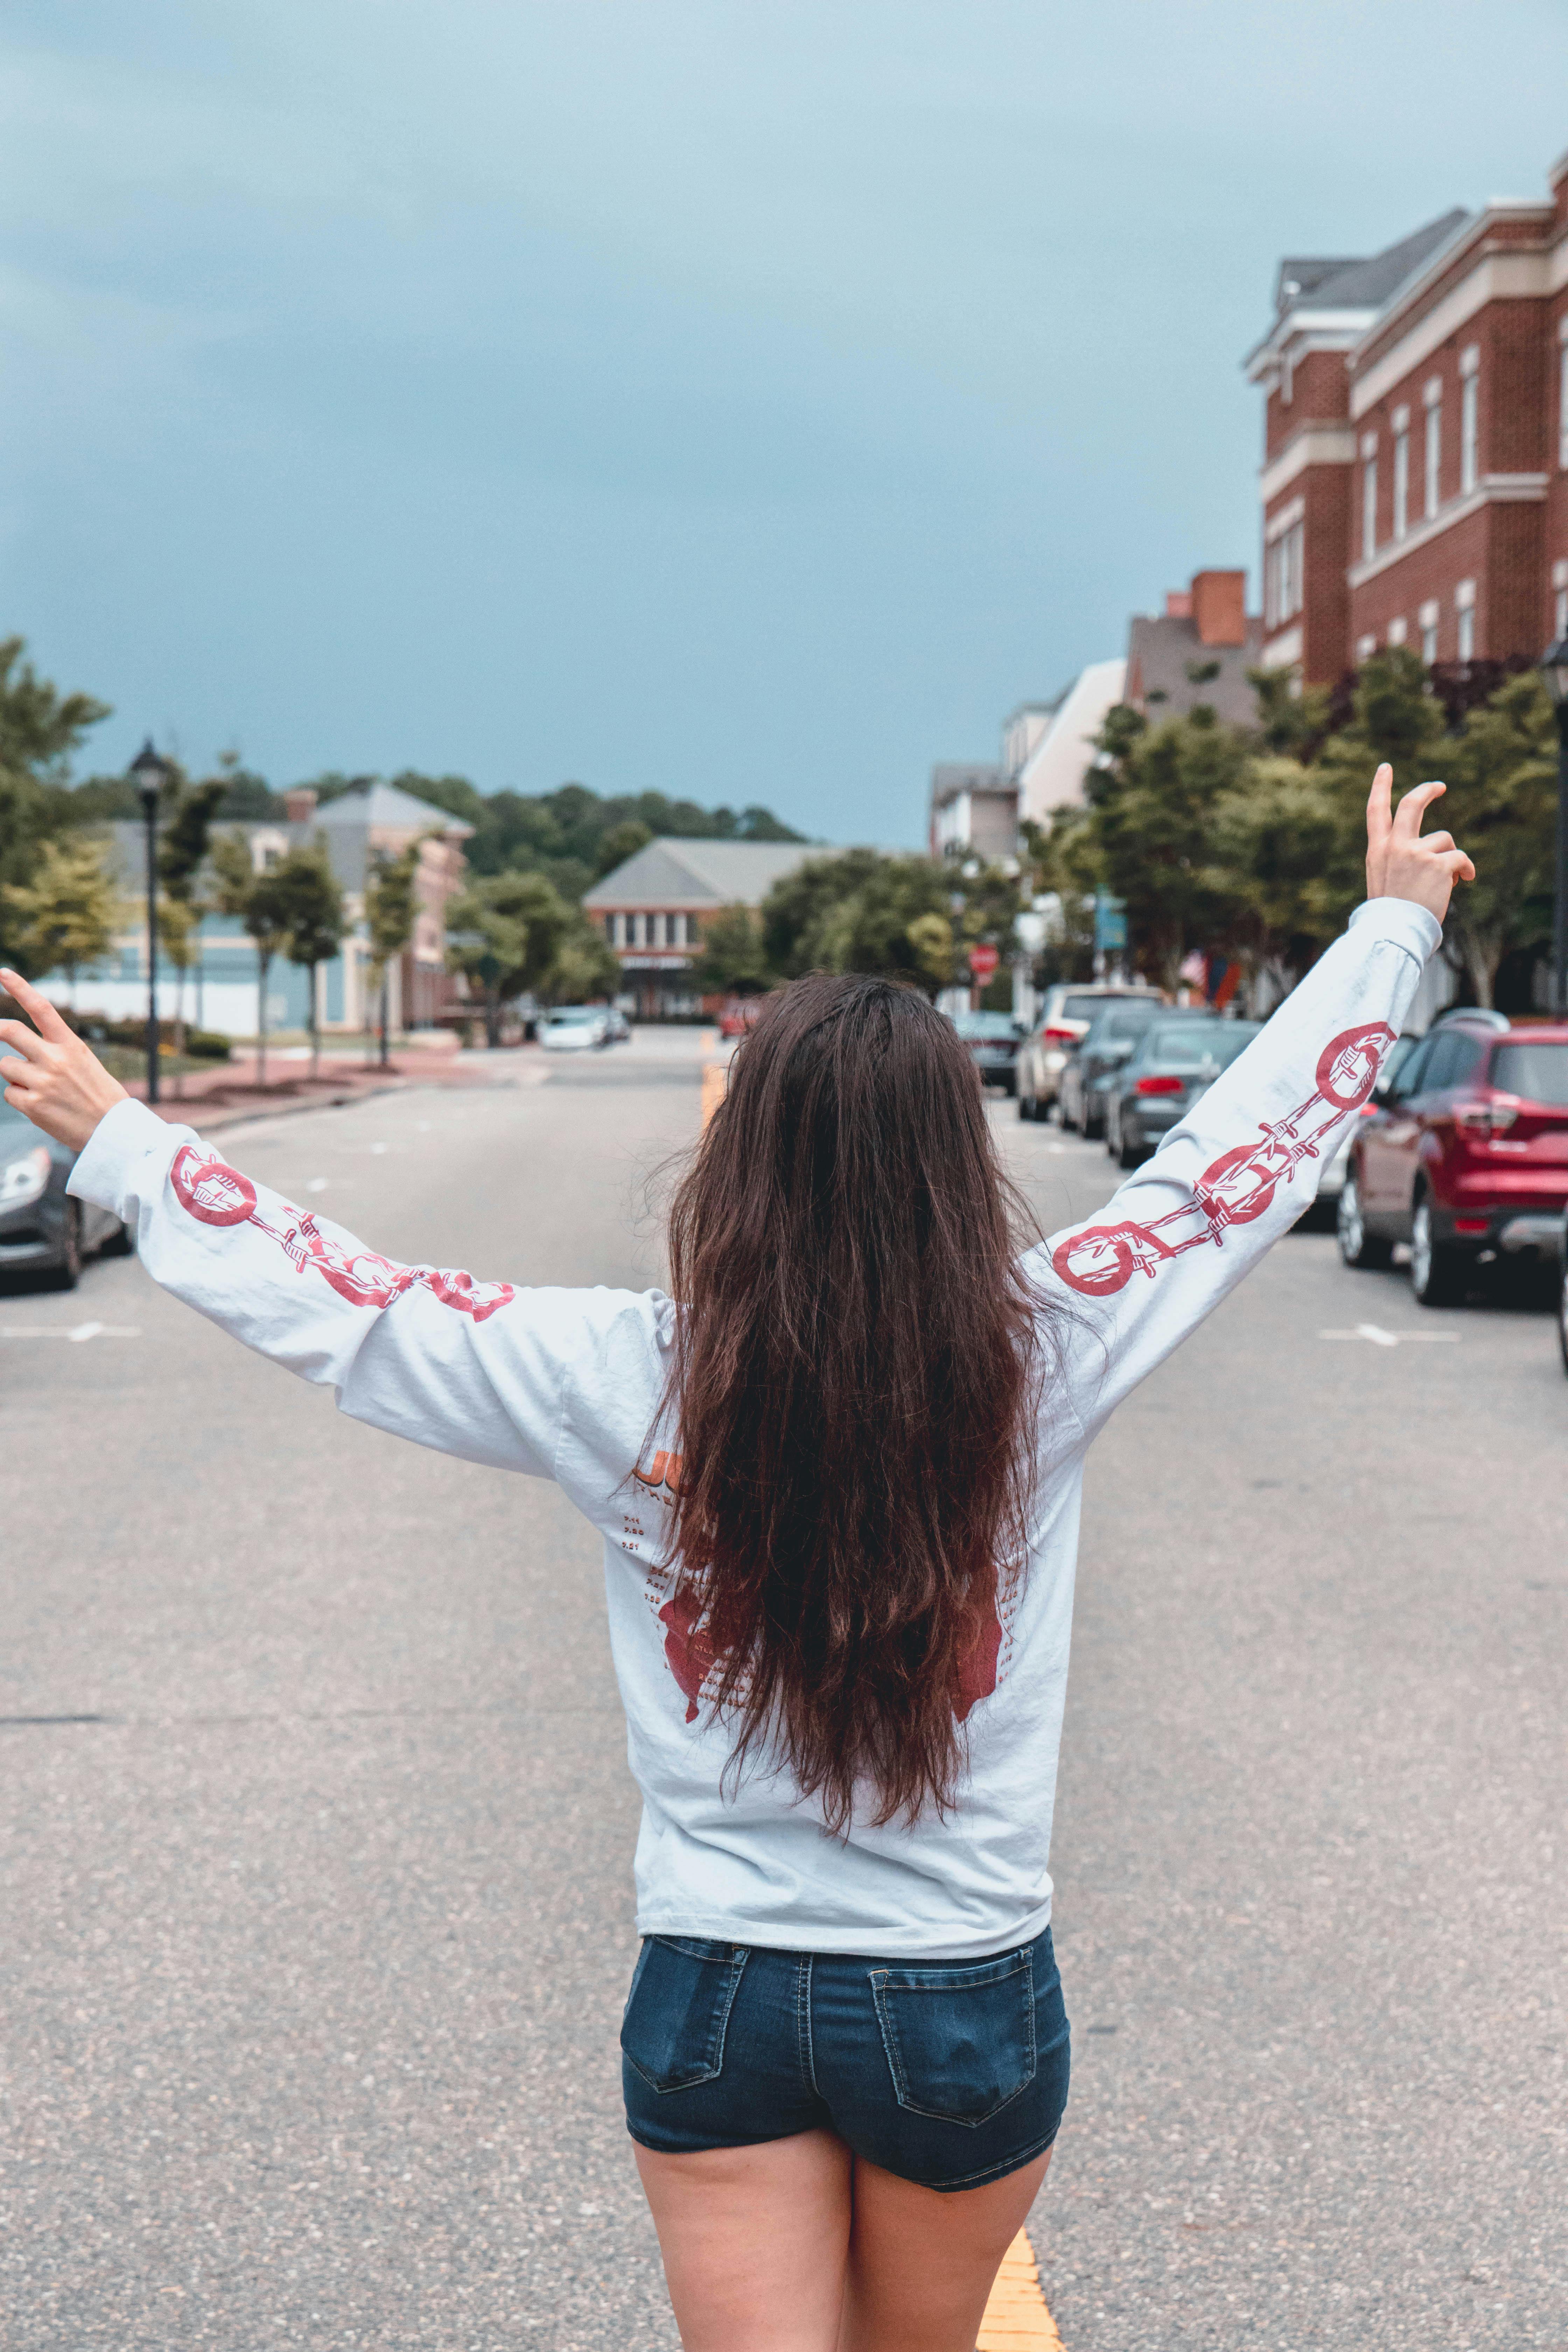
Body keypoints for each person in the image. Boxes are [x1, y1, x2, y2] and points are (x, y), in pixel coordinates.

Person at [0, 768, 1470, 2352]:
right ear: (948, 1159)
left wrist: (128, 1145)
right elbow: (1232, 1174)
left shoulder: (619, 1370)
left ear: (741, 1159)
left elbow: (353, 1305)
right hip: (955, 1988)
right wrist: (1389, 930)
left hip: (718, 1992)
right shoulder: (1046, 1345)